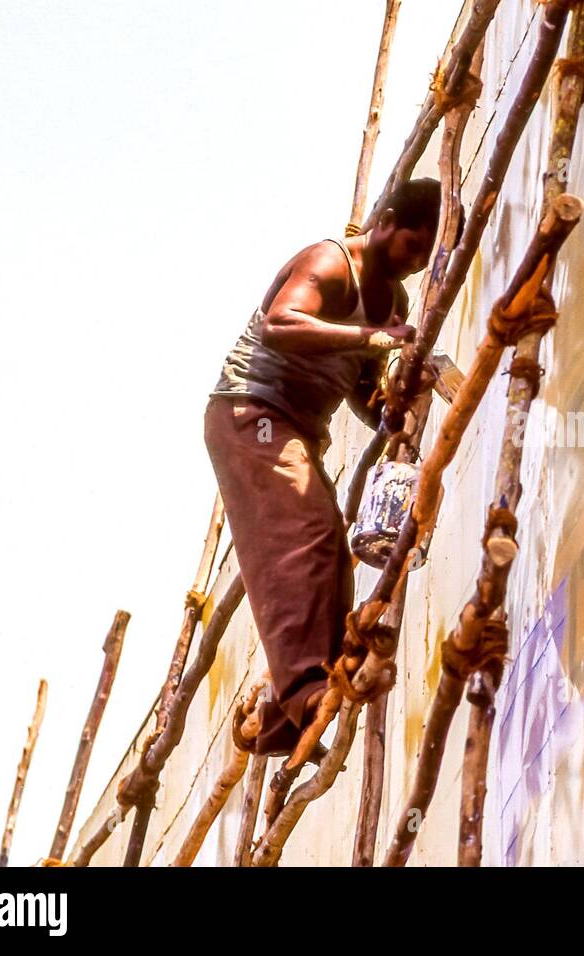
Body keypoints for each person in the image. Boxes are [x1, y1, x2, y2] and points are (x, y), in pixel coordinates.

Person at [204, 177, 446, 756]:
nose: (412, 263)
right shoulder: (329, 262)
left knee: (330, 543)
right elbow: (280, 325)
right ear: (385, 221)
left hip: (292, 427)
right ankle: (304, 688)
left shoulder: (393, 302)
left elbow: (363, 395)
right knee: (305, 530)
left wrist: (392, 405)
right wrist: (373, 338)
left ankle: (288, 717)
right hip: (252, 413)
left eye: (423, 255)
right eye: (409, 246)